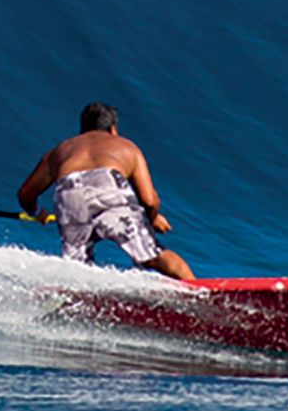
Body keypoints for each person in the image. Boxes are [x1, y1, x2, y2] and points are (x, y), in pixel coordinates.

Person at [17, 102, 195, 280]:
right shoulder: (126, 146)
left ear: (83, 129)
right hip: (107, 184)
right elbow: (149, 200)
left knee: (77, 267)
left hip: (69, 190)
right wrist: (153, 218)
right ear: (113, 128)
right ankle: (199, 292)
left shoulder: (58, 152)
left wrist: (37, 212)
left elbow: (25, 194)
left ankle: (77, 300)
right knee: (152, 254)